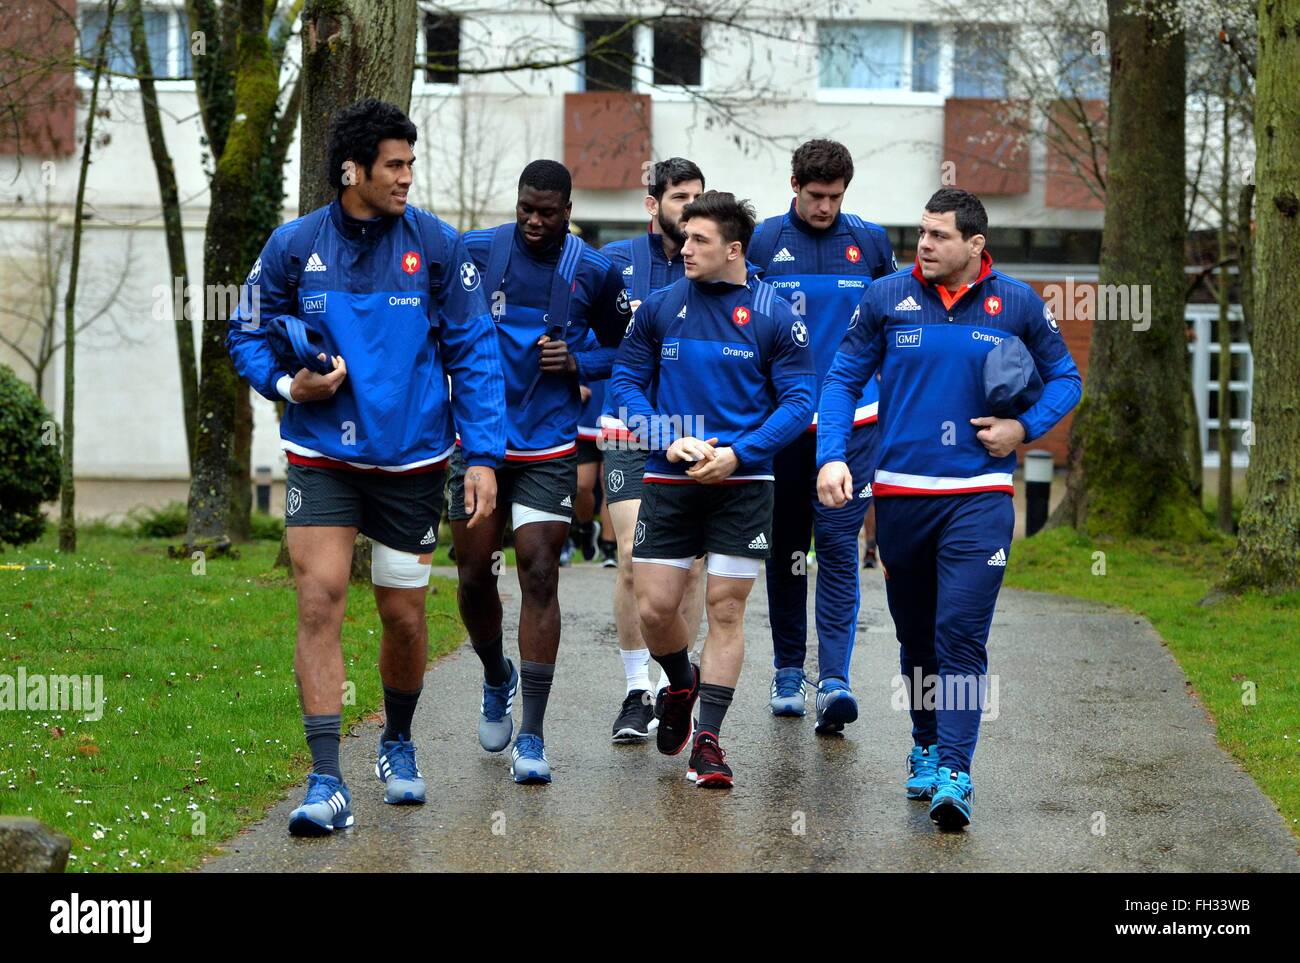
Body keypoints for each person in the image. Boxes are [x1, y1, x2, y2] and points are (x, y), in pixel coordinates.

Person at [227, 99, 505, 835]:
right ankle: (326, 778)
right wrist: (289, 386)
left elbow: (475, 353)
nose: (407, 177)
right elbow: (247, 329)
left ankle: (398, 741)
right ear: (352, 169)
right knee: (318, 598)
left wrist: (481, 455)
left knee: (403, 614)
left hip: (413, 459)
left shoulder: (440, 248)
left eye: (411, 164)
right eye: (394, 165)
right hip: (322, 455)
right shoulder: (292, 246)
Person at [816, 188, 1081, 828]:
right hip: (902, 496)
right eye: (922, 234)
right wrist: (831, 455)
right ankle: (926, 744)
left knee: (960, 633)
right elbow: (841, 378)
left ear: (974, 245)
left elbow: (1066, 377)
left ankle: (957, 771)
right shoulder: (885, 297)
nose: (924, 246)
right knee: (916, 636)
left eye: (938, 236)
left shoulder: (1016, 303)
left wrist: (1025, 430)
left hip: (979, 496)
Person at [609, 191, 816, 788]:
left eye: (699, 240)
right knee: (655, 606)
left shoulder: (776, 314)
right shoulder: (660, 306)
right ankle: (680, 682)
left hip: (744, 481)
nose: (685, 248)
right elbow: (625, 380)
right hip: (670, 477)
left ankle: (710, 741)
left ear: (733, 249)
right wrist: (665, 437)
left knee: (725, 608)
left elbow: (799, 401)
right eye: (683, 237)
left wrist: (739, 454)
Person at [456, 160, 630, 784]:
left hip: (550, 444)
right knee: (475, 575)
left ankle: (532, 734)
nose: (534, 220)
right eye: (526, 207)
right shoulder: (475, 251)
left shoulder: (595, 270)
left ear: (569, 208)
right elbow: (440, 324)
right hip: (476, 442)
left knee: (538, 571)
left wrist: (579, 361)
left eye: (548, 212)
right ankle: (495, 674)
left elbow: (626, 347)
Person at [748, 139, 896, 732]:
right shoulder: (761, 243)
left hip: (853, 424)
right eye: (815, 196)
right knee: (785, 548)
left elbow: (893, 317)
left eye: (836, 197)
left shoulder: (872, 242)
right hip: (783, 423)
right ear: (793, 185)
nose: (826, 208)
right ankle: (788, 671)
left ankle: (835, 678)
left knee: (837, 550)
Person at [598, 158, 709, 742]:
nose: (689, 208)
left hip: (697, 432)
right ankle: (636, 689)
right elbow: (593, 346)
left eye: (698, 197)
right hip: (629, 430)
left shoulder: (718, 260)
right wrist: (581, 365)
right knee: (634, 557)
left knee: (688, 570)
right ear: (652, 203)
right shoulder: (615, 264)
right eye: (678, 198)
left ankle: (677, 687)